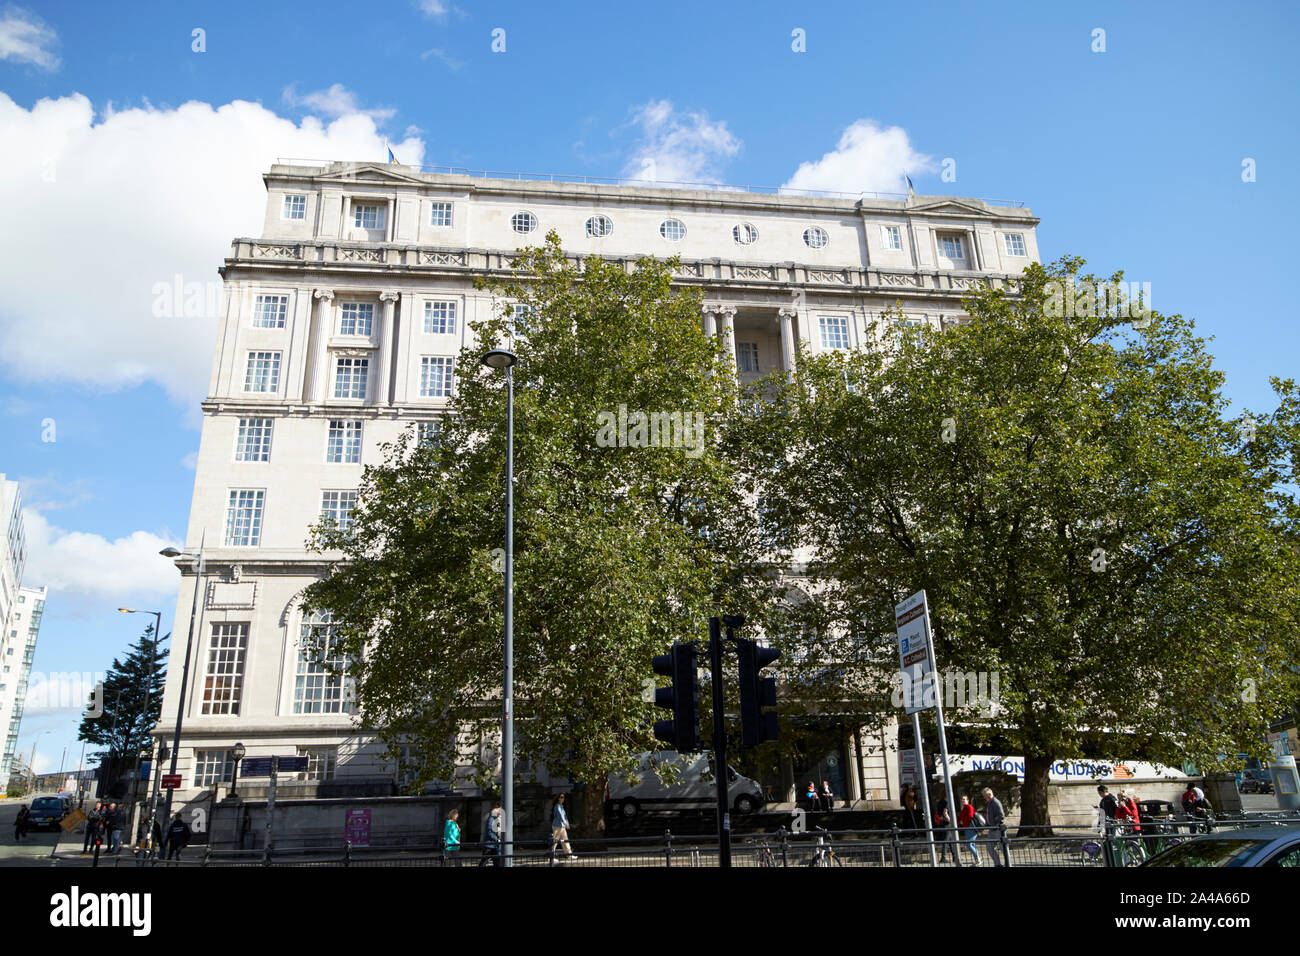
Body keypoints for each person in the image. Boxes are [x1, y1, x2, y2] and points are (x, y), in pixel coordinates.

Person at [982, 788, 1005, 866]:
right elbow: (989, 815)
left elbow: (1001, 815)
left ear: (989, 795)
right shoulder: (989, 803)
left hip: (998, 828)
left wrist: (994, 823)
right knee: (990, 847)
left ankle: (1008, 863)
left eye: (985, 796)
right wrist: (987, 824)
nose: (984, 798)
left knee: (1003, 847)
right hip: (992, 828)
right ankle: (997, 863)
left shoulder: (996, 802)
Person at [551, 793, 576, 860]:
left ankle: (569, 855)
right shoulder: (557, 806)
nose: (563, 799)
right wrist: (565, 823)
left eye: (563, 797)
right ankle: (551, 856)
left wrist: (566, 823)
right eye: (561, 797)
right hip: (557, 826)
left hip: (561, 826)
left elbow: (564, 816)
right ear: (558, 798)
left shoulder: (561, 806)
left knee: (565, 841)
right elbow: (560, 815)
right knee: (555, 841)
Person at [957, 794, 981, 865]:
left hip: (971, 827)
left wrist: (962, 821)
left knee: (969, 844)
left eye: (964, 799)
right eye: (962, 799)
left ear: (968, 800)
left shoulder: (969, 807)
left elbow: (970, 815)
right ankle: (977, 859)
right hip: (967, 827)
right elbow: (961, 817)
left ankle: (978, 859)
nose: (963, 800)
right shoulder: (964, 808)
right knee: (971, 844)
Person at [933, 798, 957, 864]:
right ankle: (943, 858)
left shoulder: (939, 810)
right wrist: (947, 815)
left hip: (943, 826)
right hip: (947, 827)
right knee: (946, 842)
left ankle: (954, 856)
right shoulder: (944, 809)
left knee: (950, 842)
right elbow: (948, 819)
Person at [479, 800, 503, 867]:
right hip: (489, 845)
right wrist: (497, 839)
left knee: (496, 862)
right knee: (484, 862)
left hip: (493, 845)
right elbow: (490, 831)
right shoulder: (491, 819)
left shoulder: (494, 819)